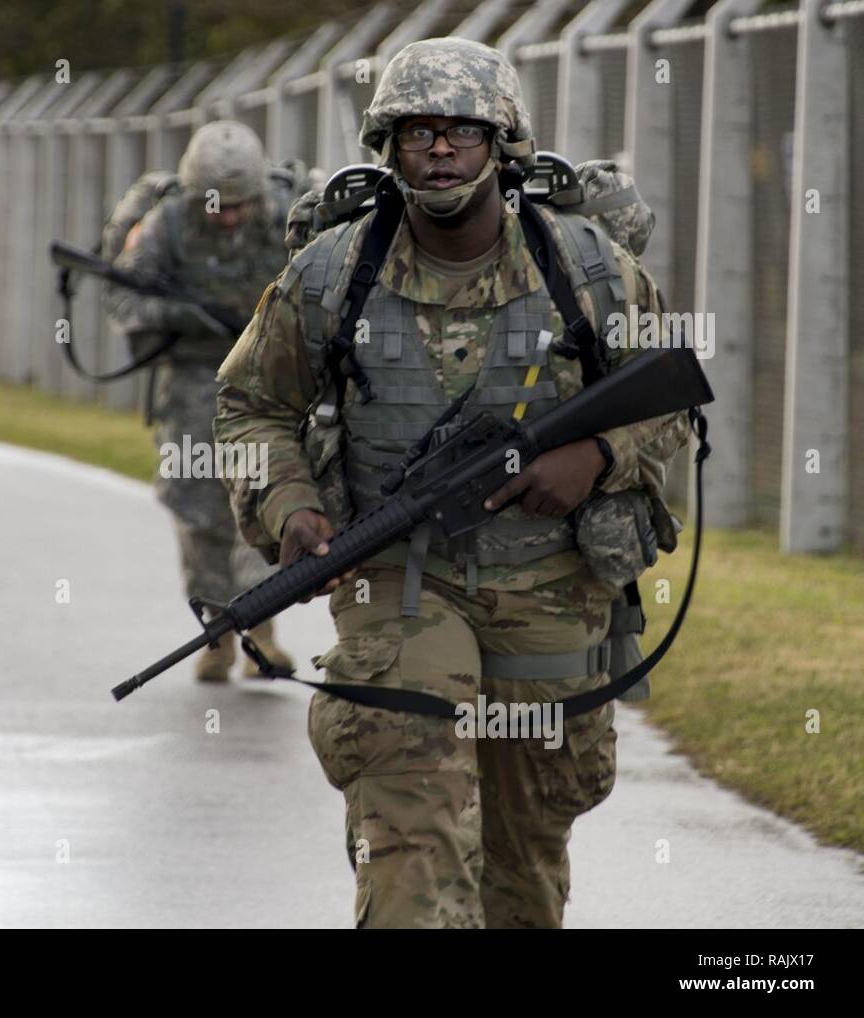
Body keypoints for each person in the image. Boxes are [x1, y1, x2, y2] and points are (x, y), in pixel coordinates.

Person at [213, 39, 690, 928]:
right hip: (398, 578)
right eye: (417, 130)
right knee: (413, 823)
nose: (438, 151)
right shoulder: (331, 275)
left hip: (553, 582)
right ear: (386, 145)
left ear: (501, 142)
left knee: (523, 853)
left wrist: (595, 457)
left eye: (461, 132)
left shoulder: (584, 268)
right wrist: (293, 506)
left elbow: (672, 394)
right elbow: (248, 408)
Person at [106, 120, 297, 683]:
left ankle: (261, 632)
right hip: (193, 383)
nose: (229, 216)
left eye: (241, 205)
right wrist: (185, 316)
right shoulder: (166, 224)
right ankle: (216, 633)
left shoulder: (288, 215)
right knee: (199, 512)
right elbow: (123, 298)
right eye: (218, 205)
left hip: (271, 383)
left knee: (269, 502)